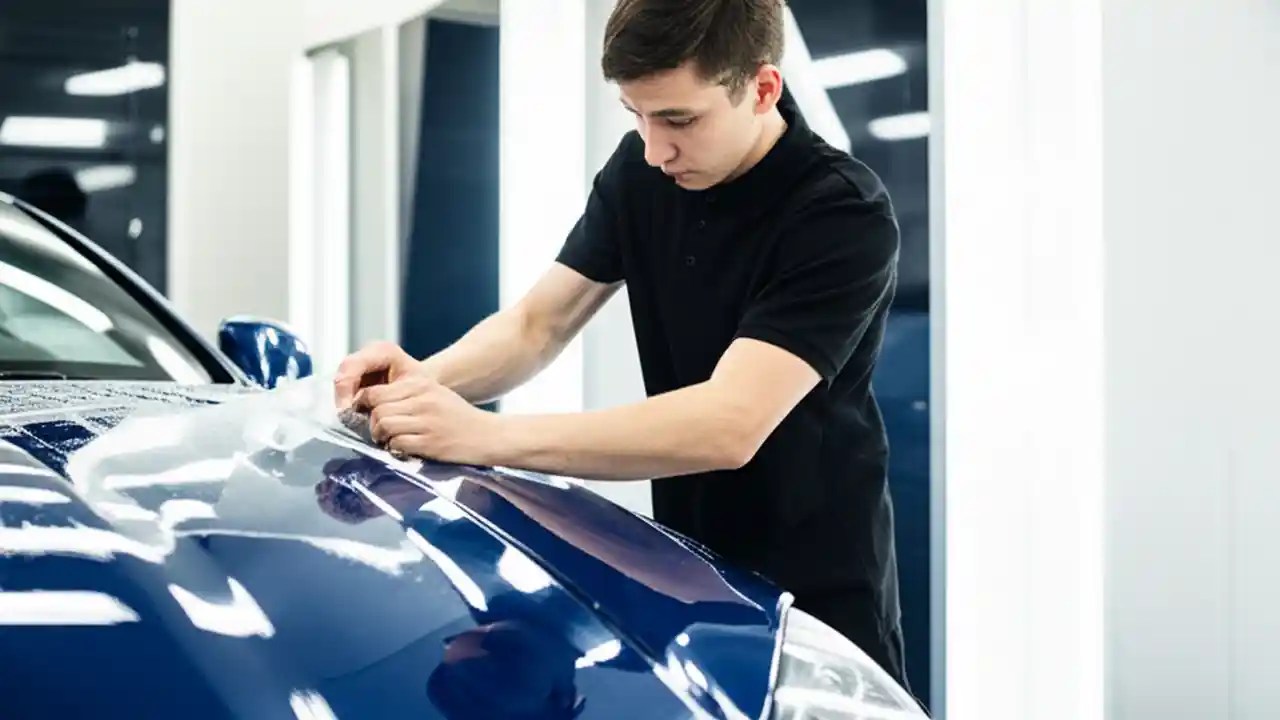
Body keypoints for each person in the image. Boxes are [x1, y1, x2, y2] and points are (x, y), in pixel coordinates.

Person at [334, 0, 908, 688]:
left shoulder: (841, 212)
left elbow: (730, 425)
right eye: (636, 115)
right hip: (682, 568)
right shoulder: (644, 171)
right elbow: (535, 326)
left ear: (762, 89)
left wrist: (478, 436)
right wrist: (420, 386)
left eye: (679, 119)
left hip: (814, 600)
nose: (654, 147)